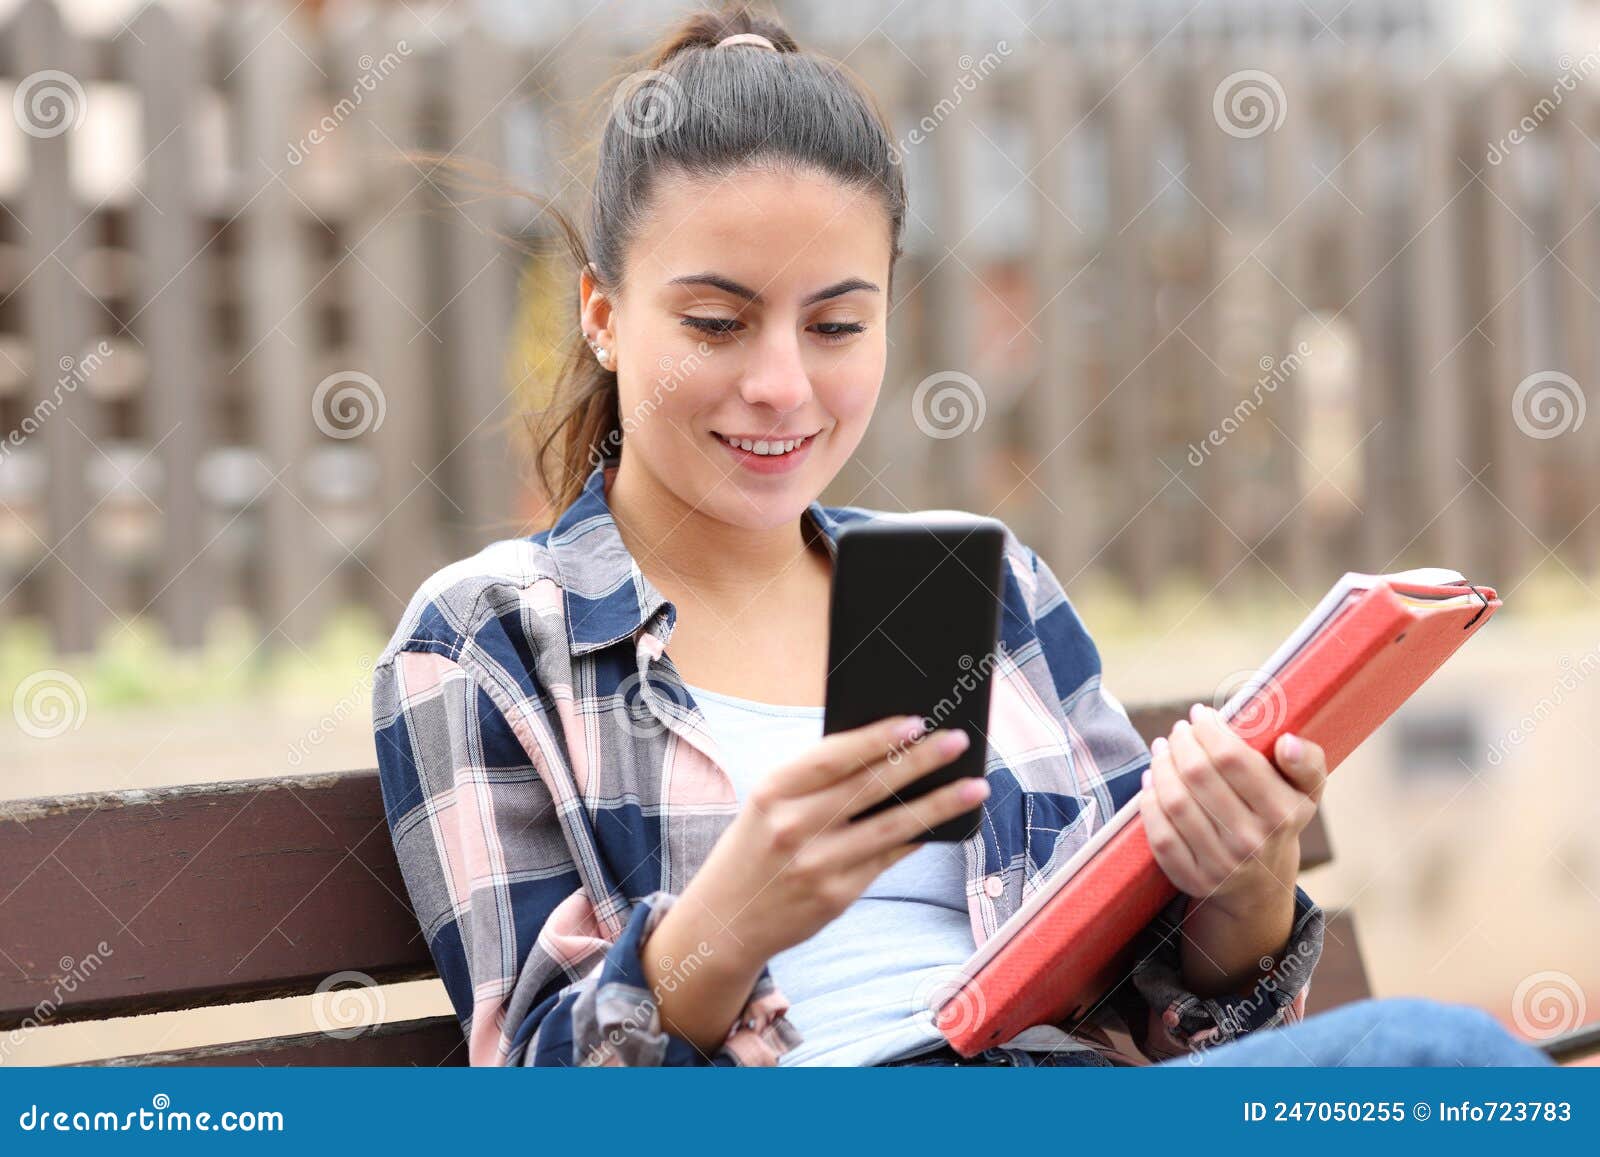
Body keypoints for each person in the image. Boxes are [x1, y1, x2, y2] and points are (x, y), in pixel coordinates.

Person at [370, 5, 1552, 1069]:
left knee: (1433, 1067)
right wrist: (723, 924)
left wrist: (1242, 884)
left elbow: (1170, 1028)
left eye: (836, 323)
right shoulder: (491, 640)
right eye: (717, 322)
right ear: (603, 317)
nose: (783, 383)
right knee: (1430, 1056)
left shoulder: (969, 590)